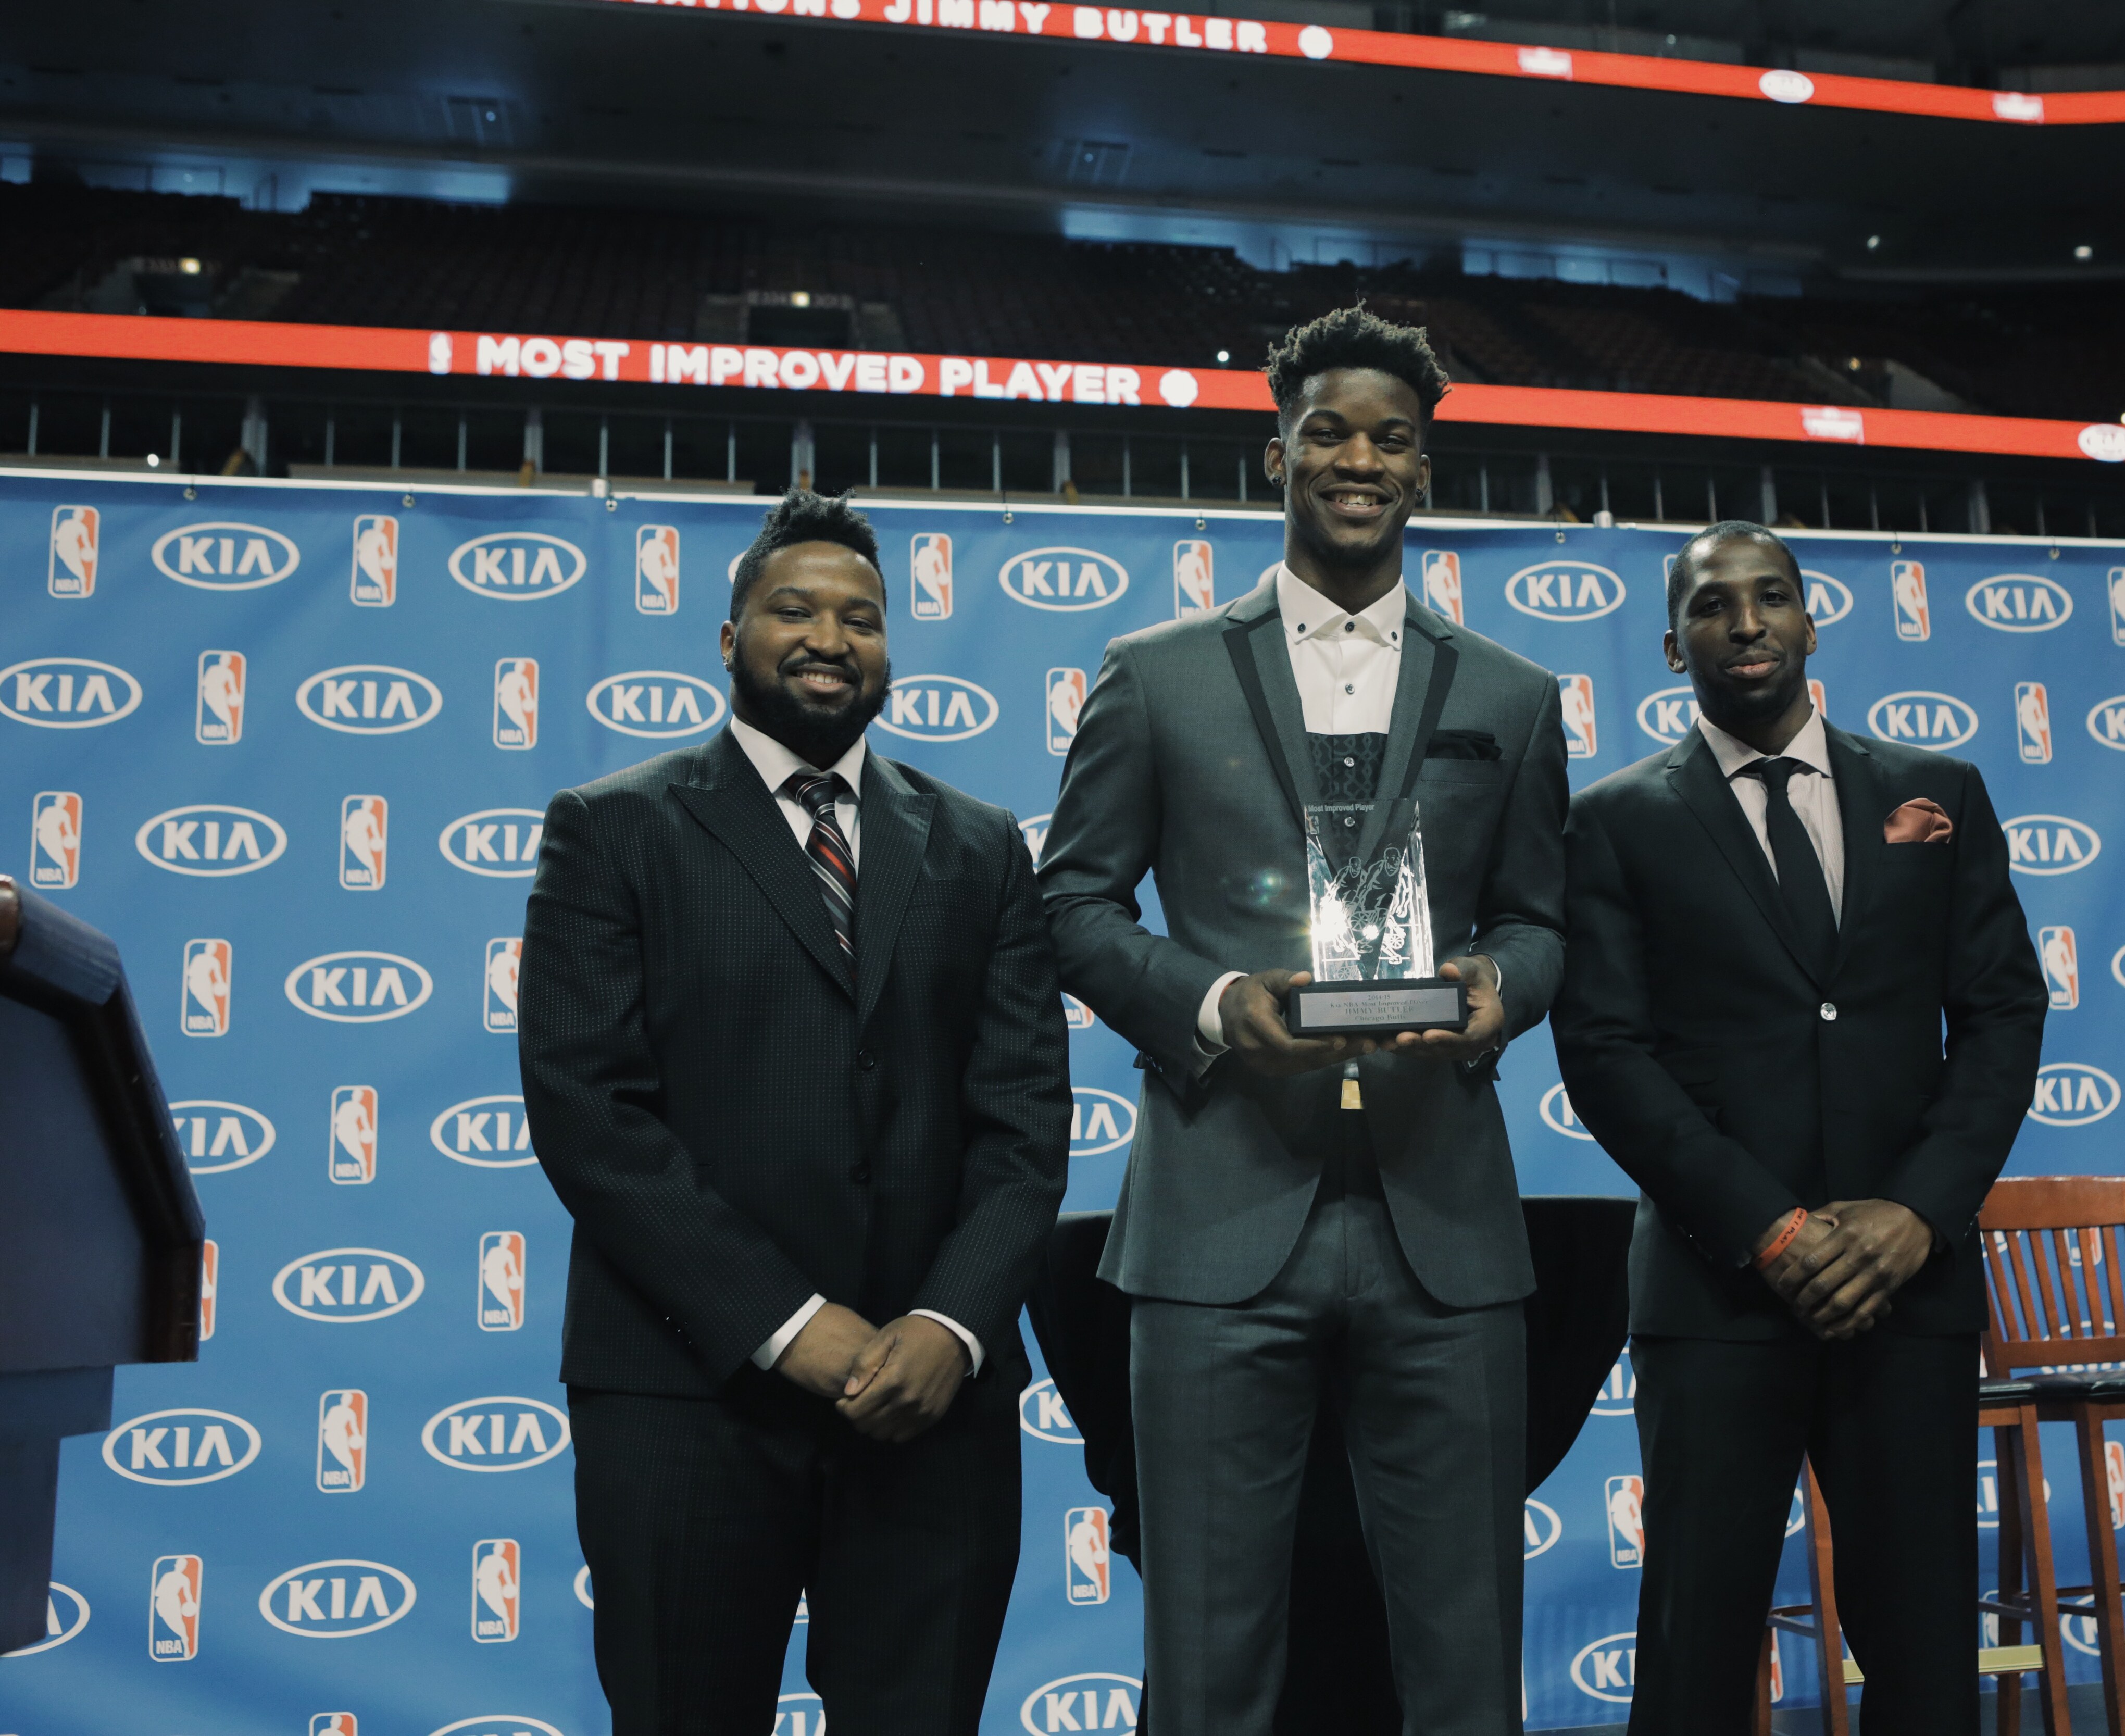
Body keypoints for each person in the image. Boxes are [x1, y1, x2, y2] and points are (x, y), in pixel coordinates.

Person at [1038, 306, 1567, 1736]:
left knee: (1467, 1664)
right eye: (1329, 429)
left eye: (1393, 438)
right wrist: (1210, 1001)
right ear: (1276, 450)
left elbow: (1543, 919)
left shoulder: (1513, 697)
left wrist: (1499, 988)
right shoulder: (1157, 671)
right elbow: (1073, 904)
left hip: (1444, 1226)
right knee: (1208, 1668)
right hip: (1219, 1215)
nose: (1359, 457)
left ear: (1425, 472)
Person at [519, 486, 1070, 1735]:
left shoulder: (981, 847)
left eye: (862, 617)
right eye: (795, 609)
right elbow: (587, 1110)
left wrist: (947, 1323)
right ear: (728, 640)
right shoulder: (612, 831)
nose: (831, 636)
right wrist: (787, 1323)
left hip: (932, 1402)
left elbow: (1027, 1118)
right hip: (687, 1394)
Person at [1553, 521, 2045, 1735]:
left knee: (1925, 1638)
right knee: (1696, 1641)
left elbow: (2000, 1015)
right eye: (1714, 606)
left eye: (1771, 596)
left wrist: (1915, 1212)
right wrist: (1769, 1228)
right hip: (1718, 1292)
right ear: (1673, 644)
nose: (1747, 621)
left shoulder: (1941, 793)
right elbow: (1607, 1056)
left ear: (1810, 621)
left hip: (1909, 1288)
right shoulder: (1615, 820)